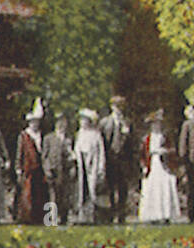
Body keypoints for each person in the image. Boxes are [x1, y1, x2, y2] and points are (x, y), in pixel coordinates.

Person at [138, 109, 181, 223]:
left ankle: (165, 214)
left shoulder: (165, 137)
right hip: (152, 165)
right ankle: (153, 215)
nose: (156, 126)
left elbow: (173, 150)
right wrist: (144, 166)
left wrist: (165, 151)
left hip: (164, 166)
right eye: (154, 124)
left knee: (164, 188)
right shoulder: (147, 139)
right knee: (152, 189)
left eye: (158, 124)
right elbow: (142, 154)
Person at [99, 94, 134, 224]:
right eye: (116, 106)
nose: (118, 109)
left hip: (124, 160)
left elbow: (132, 144)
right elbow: (101, 143)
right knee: (111, 188)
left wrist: (127, 134)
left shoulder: (127, 122)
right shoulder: (105, 122)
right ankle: (111, 213)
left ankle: (121, 214)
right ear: (112, 107)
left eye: (120, 106)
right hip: (110, 159)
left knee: (123, 188)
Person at [15, 109, 50, 225]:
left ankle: (39, 217)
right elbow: (19, 153)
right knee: (28, 193)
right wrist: (18, 168)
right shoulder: (24, 135)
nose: (35, 124)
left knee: (40, 193)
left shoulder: (41, 135)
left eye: (36, 122)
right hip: (28, 167)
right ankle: (27, 217)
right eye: (32, 122)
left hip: (39, 167)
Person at [71, 108, 106, 224]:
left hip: (92, 165)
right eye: (81, 120)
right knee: (81, 191)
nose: (83, 122)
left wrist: (101, 167)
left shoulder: (96, 135)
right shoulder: (79, 134)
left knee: (92, 190)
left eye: (85, 120)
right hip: (82, 165)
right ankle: (81, 215)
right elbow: (76, 149)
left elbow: (101, 152)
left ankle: (92, 216)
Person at [41, 112, 75, 226]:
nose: (61, 125)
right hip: (52, 170)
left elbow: (72, 155)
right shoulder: (49, 138)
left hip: (65, 171)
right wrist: (47, 169)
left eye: (64, 123)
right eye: (59, 123)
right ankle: (51, 218)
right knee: (52, 195)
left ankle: (64, 218)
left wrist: (72, 167)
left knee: (65, 195)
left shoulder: (69, 138)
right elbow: (44, 156)